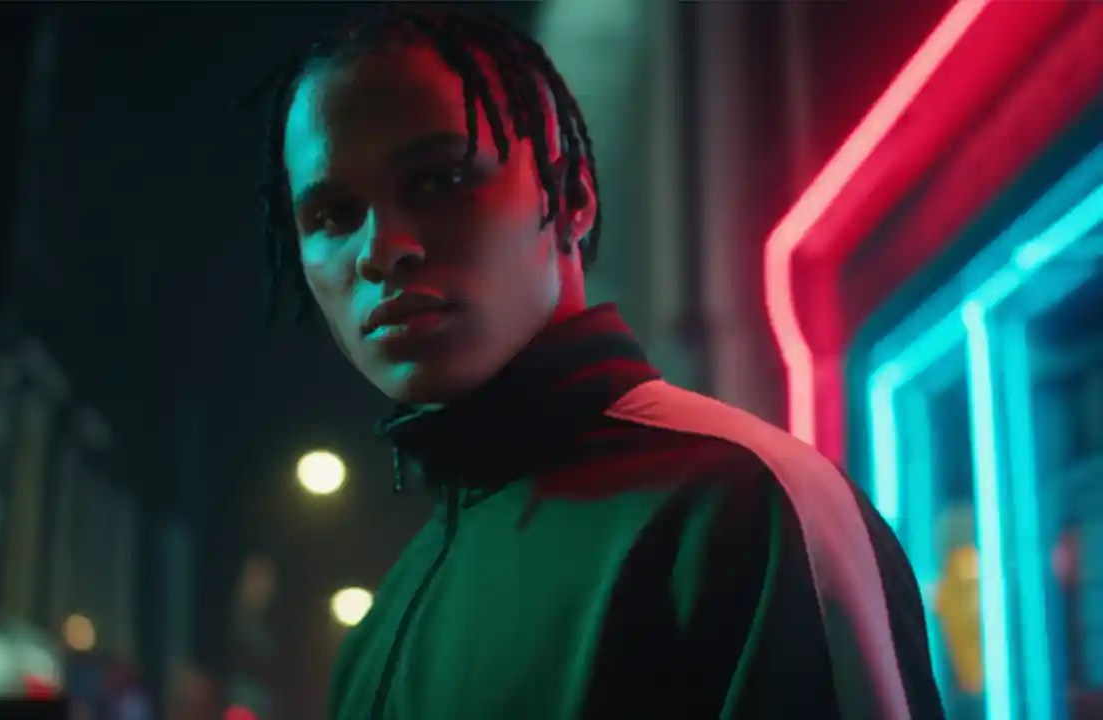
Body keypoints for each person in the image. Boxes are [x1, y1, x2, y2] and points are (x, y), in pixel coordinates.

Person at [250, 4, 944, 718]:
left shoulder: (743, 512)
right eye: (332, 214)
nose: (379, 249)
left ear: (572, 195)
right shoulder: (385, 622)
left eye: (439, 181)